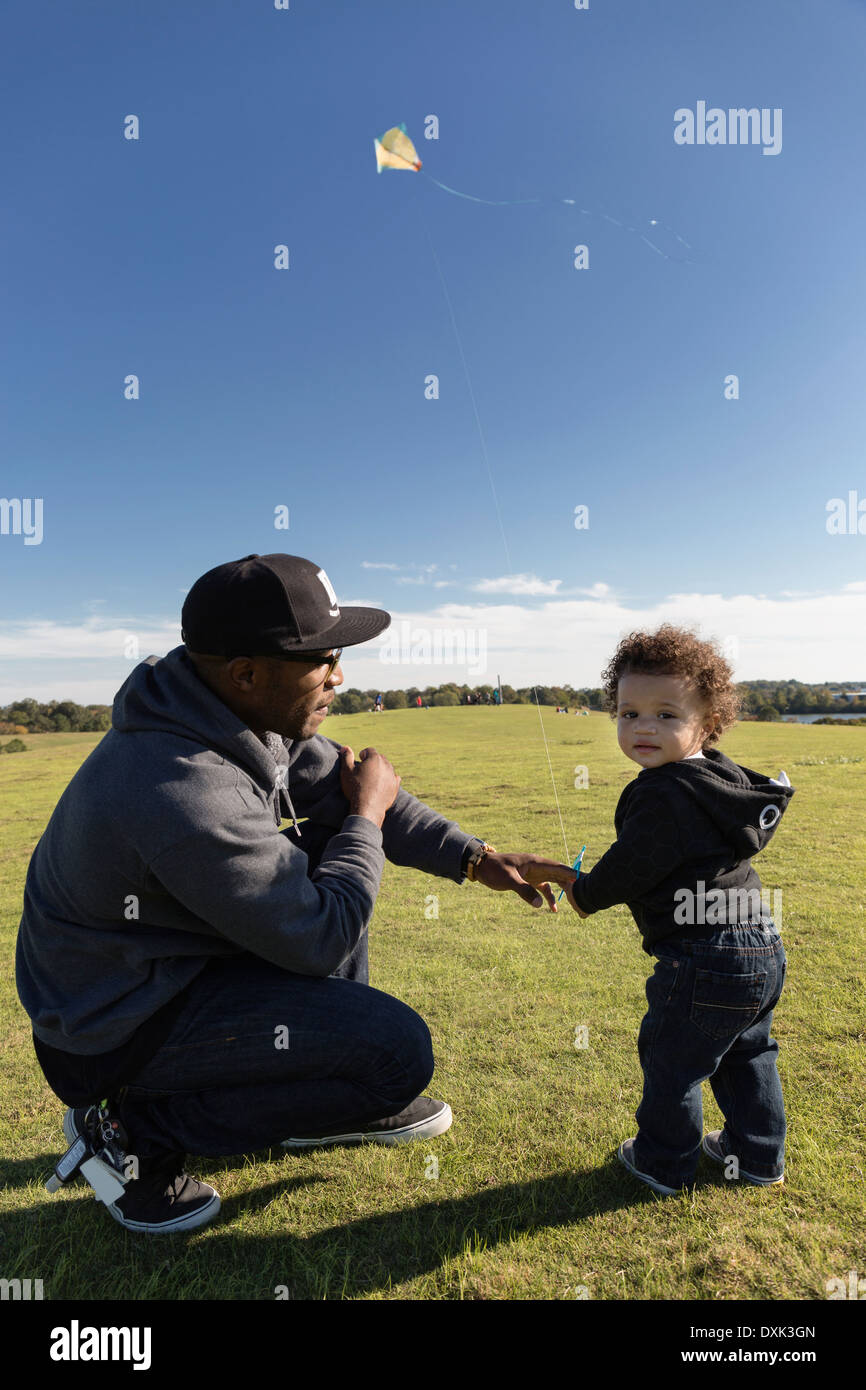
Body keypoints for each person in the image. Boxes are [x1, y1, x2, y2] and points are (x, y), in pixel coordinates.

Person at [16, 553, 576, 1234]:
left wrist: (475, 857)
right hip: (111, 1029)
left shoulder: (234, 711)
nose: (340, 677)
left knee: (336, 846)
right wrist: (366, 818)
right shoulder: (181, 785)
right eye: (325, 660)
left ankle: (317, 1107)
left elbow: (344, 784)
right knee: (396, 1054)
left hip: (167, 973)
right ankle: (131, 1127)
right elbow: (322, 930)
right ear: (247, 672)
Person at [564, 624, 793, 1197]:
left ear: (707, 723)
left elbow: (634, 862)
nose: (644, 726)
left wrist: (584, 893)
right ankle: (756, 1156)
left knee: (673, 1059)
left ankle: (663, 1162)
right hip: (760, 944)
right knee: (748, 1049)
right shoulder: (721, 778)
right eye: (628, 713)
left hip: (703, 956)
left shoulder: (664, 790)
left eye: (667, 715)